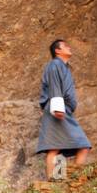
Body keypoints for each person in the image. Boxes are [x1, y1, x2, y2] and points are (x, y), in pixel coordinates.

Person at [36, 39, 91, 179]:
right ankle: (57, 183)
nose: (69, 47)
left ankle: (60, 180)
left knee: (60, 147)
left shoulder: (64, 67)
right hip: (58, 109)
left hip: (64, 109)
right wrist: (58, 108)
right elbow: (55, 86)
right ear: (57, 51)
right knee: (60, 147)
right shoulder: (55, 64)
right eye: (65, 46)